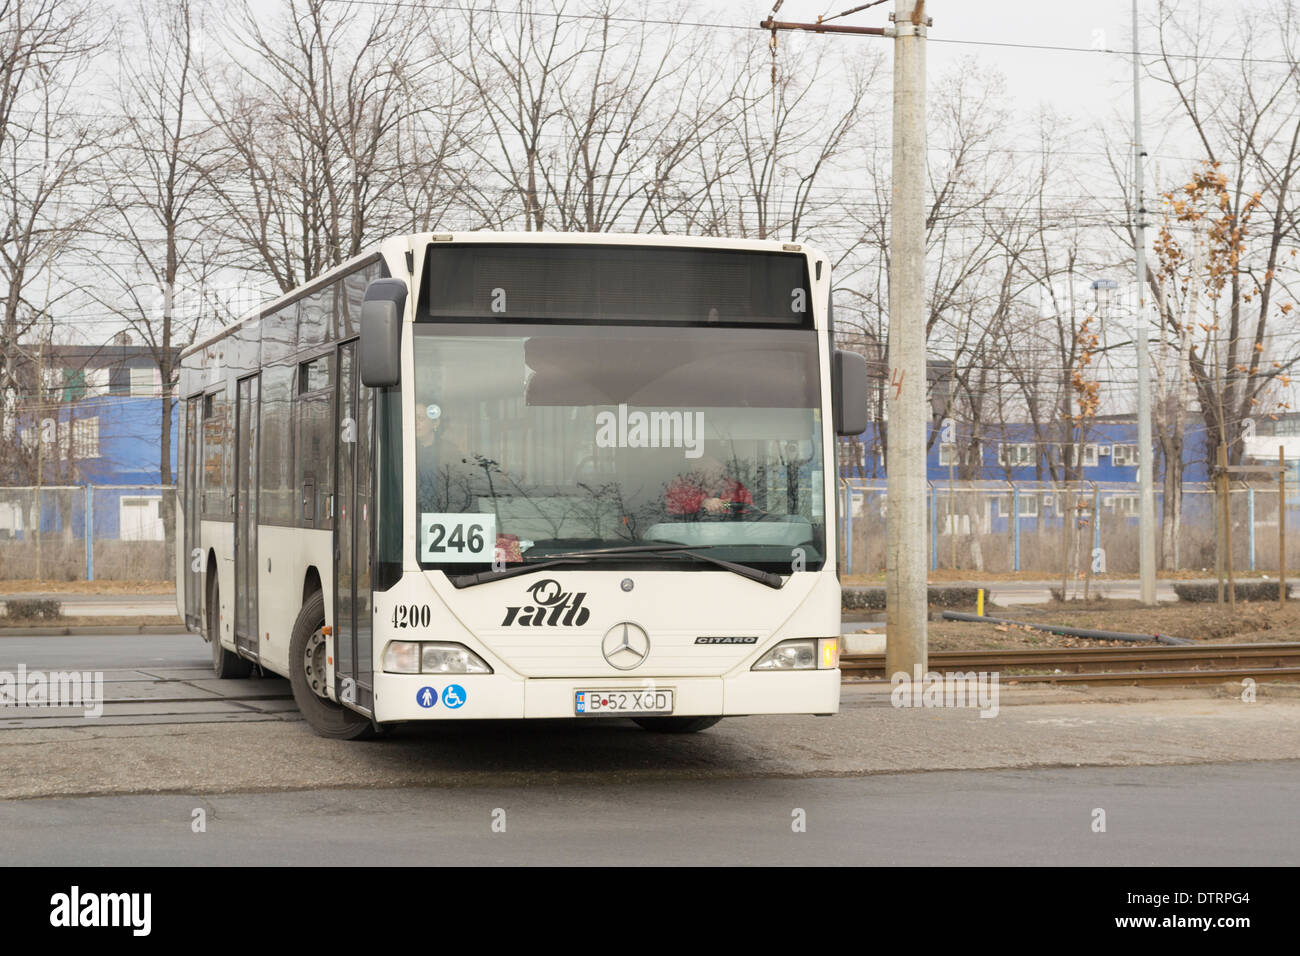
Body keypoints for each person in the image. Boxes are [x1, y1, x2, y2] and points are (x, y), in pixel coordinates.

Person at [665, 455, 754, 518]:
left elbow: (749, 512)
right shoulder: (679, 487)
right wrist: (702, 503)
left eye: (709, 464)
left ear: (721, 467)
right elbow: (670, 513)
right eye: (698, 464)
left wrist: (725, 505)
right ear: (692, 467)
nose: (704, 469)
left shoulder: (737, 489)